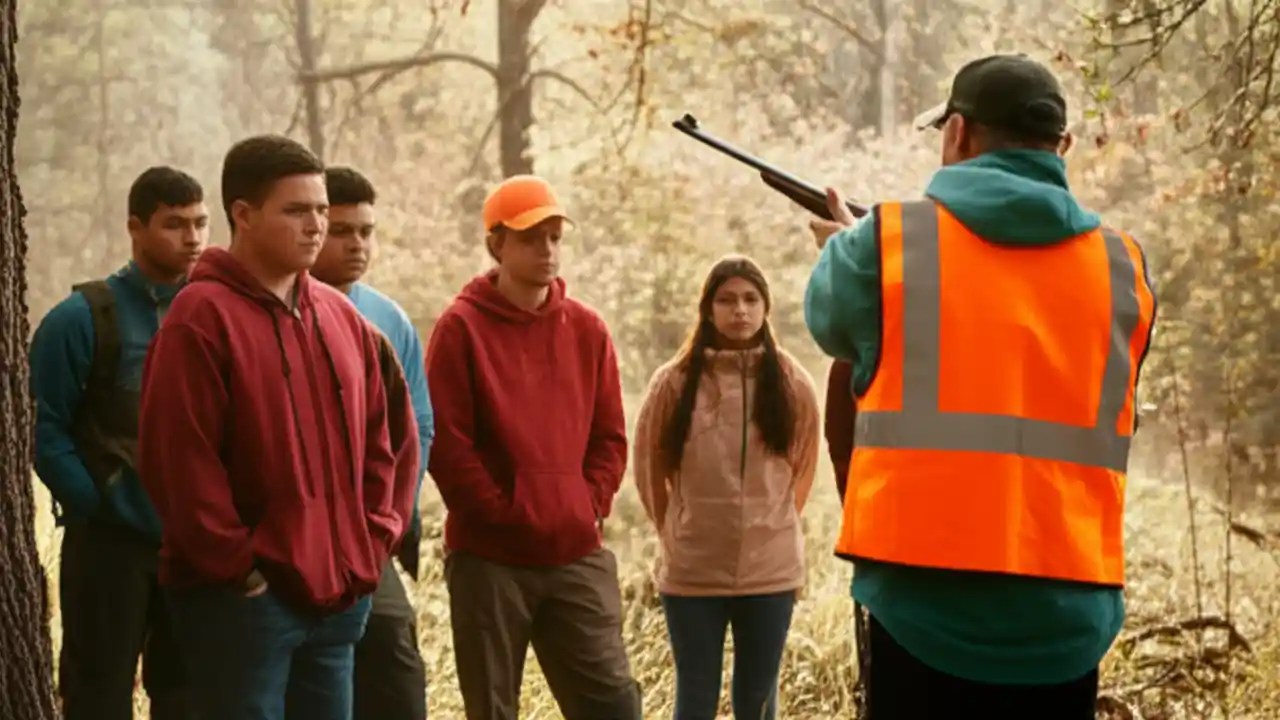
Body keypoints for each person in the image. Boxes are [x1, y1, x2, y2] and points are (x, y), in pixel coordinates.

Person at [804, 54, 1157, 719]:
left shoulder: (883, 245)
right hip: (1068, 615)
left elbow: (829, 319)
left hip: (921, 615)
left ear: (957, 132)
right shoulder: (1124, 267)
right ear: (1065, 147)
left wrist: (843, 246)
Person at [136, 135, 420, 720]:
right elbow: (179, 463)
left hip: (339, 594)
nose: (316, 226)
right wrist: (240, 569)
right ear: (243, 215)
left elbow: (391, 435)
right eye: (296, 211)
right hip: (241, 604)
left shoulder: (344, 318)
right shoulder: (199, 318)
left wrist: (373, 537)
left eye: (320, 210)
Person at [425, 174, 642, 720]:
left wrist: (585, 505)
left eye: (554, 237)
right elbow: (447, 444)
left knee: (614, 704)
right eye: (530, 238)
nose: (547, 251)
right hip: (490, 559)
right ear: (496, 244)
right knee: (494, 709)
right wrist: (503, 513)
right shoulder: (459, 329)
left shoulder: (587, 329)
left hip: (575, 552)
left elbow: (610, 438)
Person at [30, 166, 208, 720]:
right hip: (109, 548)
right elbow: (44, 429)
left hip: (197, 543)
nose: (193, 238)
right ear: (135, 228)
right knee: (98, 691)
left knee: (189, 693)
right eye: (175, 224)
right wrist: (99, 504)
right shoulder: (81, 319)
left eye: (201, 223)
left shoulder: (214, 313)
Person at [632, 255, 820, 720]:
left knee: (756, 701)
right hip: (693, 568)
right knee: (695, 694)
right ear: (708, 309)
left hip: (769, 571)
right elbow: (649, 471)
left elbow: (802, 472)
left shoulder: (794, 383)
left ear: (766, 308)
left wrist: (771, 526)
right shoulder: (672, 383)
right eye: (728, 299)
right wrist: (676, 528)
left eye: (751, 299)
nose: (740, 310)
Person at [310, 165, 433, 720]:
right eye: (342, 231)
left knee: (396, 663)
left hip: (370, 531)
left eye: (365, 231)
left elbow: (418, 427)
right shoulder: (271, 308)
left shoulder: (388, 317)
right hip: (295, 527)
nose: (356, 244)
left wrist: (394, 516)